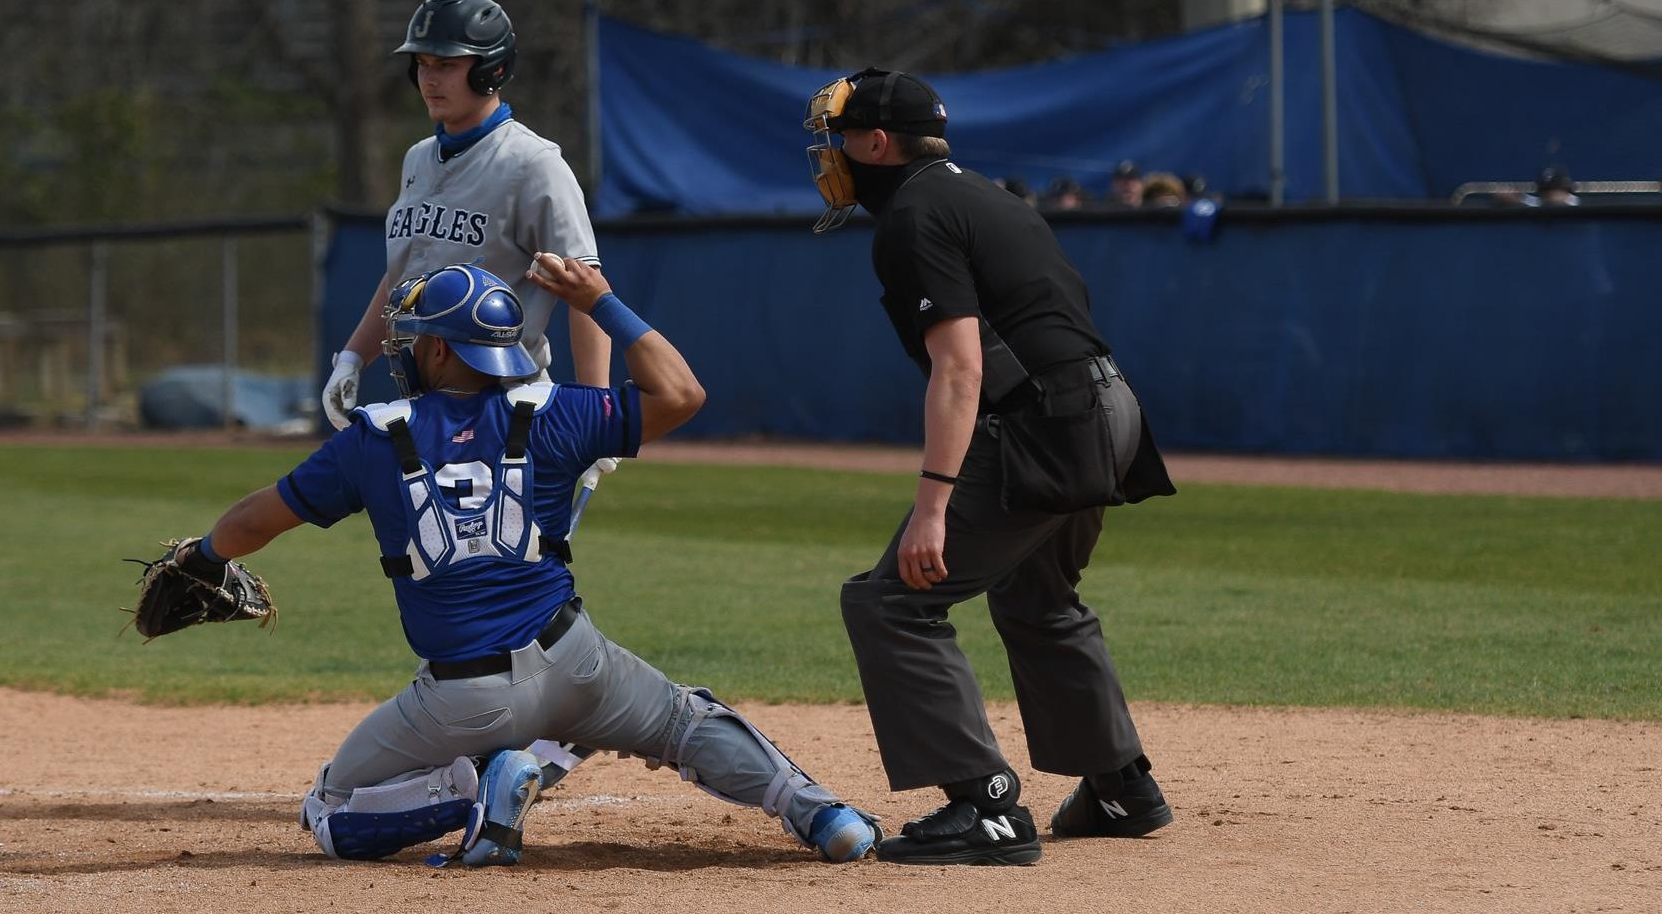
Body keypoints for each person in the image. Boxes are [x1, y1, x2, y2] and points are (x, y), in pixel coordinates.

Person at [183, 256, 877, 867]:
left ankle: (473, 785)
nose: (410, 350)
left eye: (419, 338)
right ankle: (822, 813)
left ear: (443, 352)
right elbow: (682, 394)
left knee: (330, 809)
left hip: (462, 700)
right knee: (683, 723)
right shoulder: (555, 412)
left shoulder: (374, 438)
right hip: (577, 662)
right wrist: (599, 301)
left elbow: (252, 522)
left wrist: (205, 556)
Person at [803, 67, 1177, 866]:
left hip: (1048, 422)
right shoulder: (986, 196)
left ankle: (987, 805)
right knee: (1037, 596)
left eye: (842, 137)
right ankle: (1120, 787)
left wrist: (933, 503)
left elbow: (960, 366)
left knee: (891, 603)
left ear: (878, 143)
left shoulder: (913, 216)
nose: (831, 154)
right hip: (1109, 408)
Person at [319, 0, 611, 425]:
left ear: (493, 69)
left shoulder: (532, 163)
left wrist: (598, 411)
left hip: (505, 402)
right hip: (425, 402)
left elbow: (587, 287)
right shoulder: (418, 158)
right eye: (422, 64)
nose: (429, 79)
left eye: (446, 64)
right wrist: (352, 358)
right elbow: (403, 277)